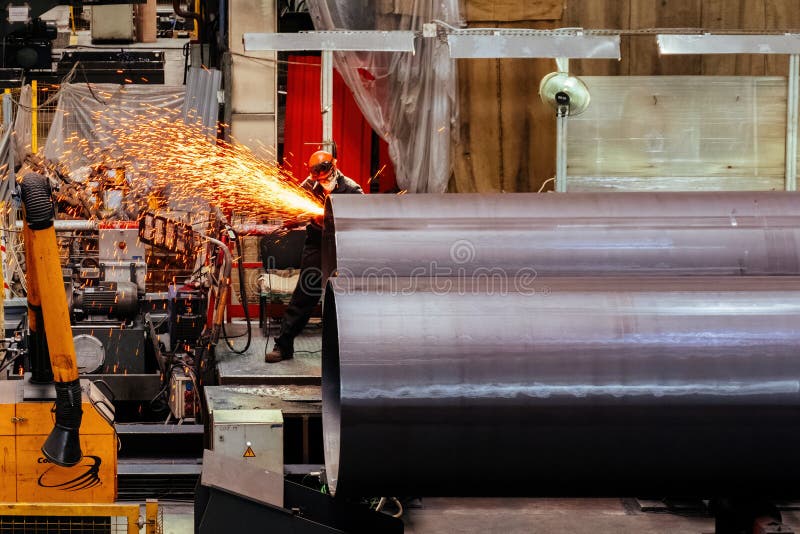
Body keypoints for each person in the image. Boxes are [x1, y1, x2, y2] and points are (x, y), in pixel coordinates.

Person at [266, 150, 363, 363]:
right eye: (317, 175)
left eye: (325, 173)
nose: (322, 179)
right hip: (317, 245)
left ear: (334, 166)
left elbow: (360, 220)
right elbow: (290, 213)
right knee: (305, 293)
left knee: (347, 296)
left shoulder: (352, 189)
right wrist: (298, 218)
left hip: (343, 246)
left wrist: (331, 220)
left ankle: (351, 350)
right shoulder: (309, 187)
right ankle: (283, 345)